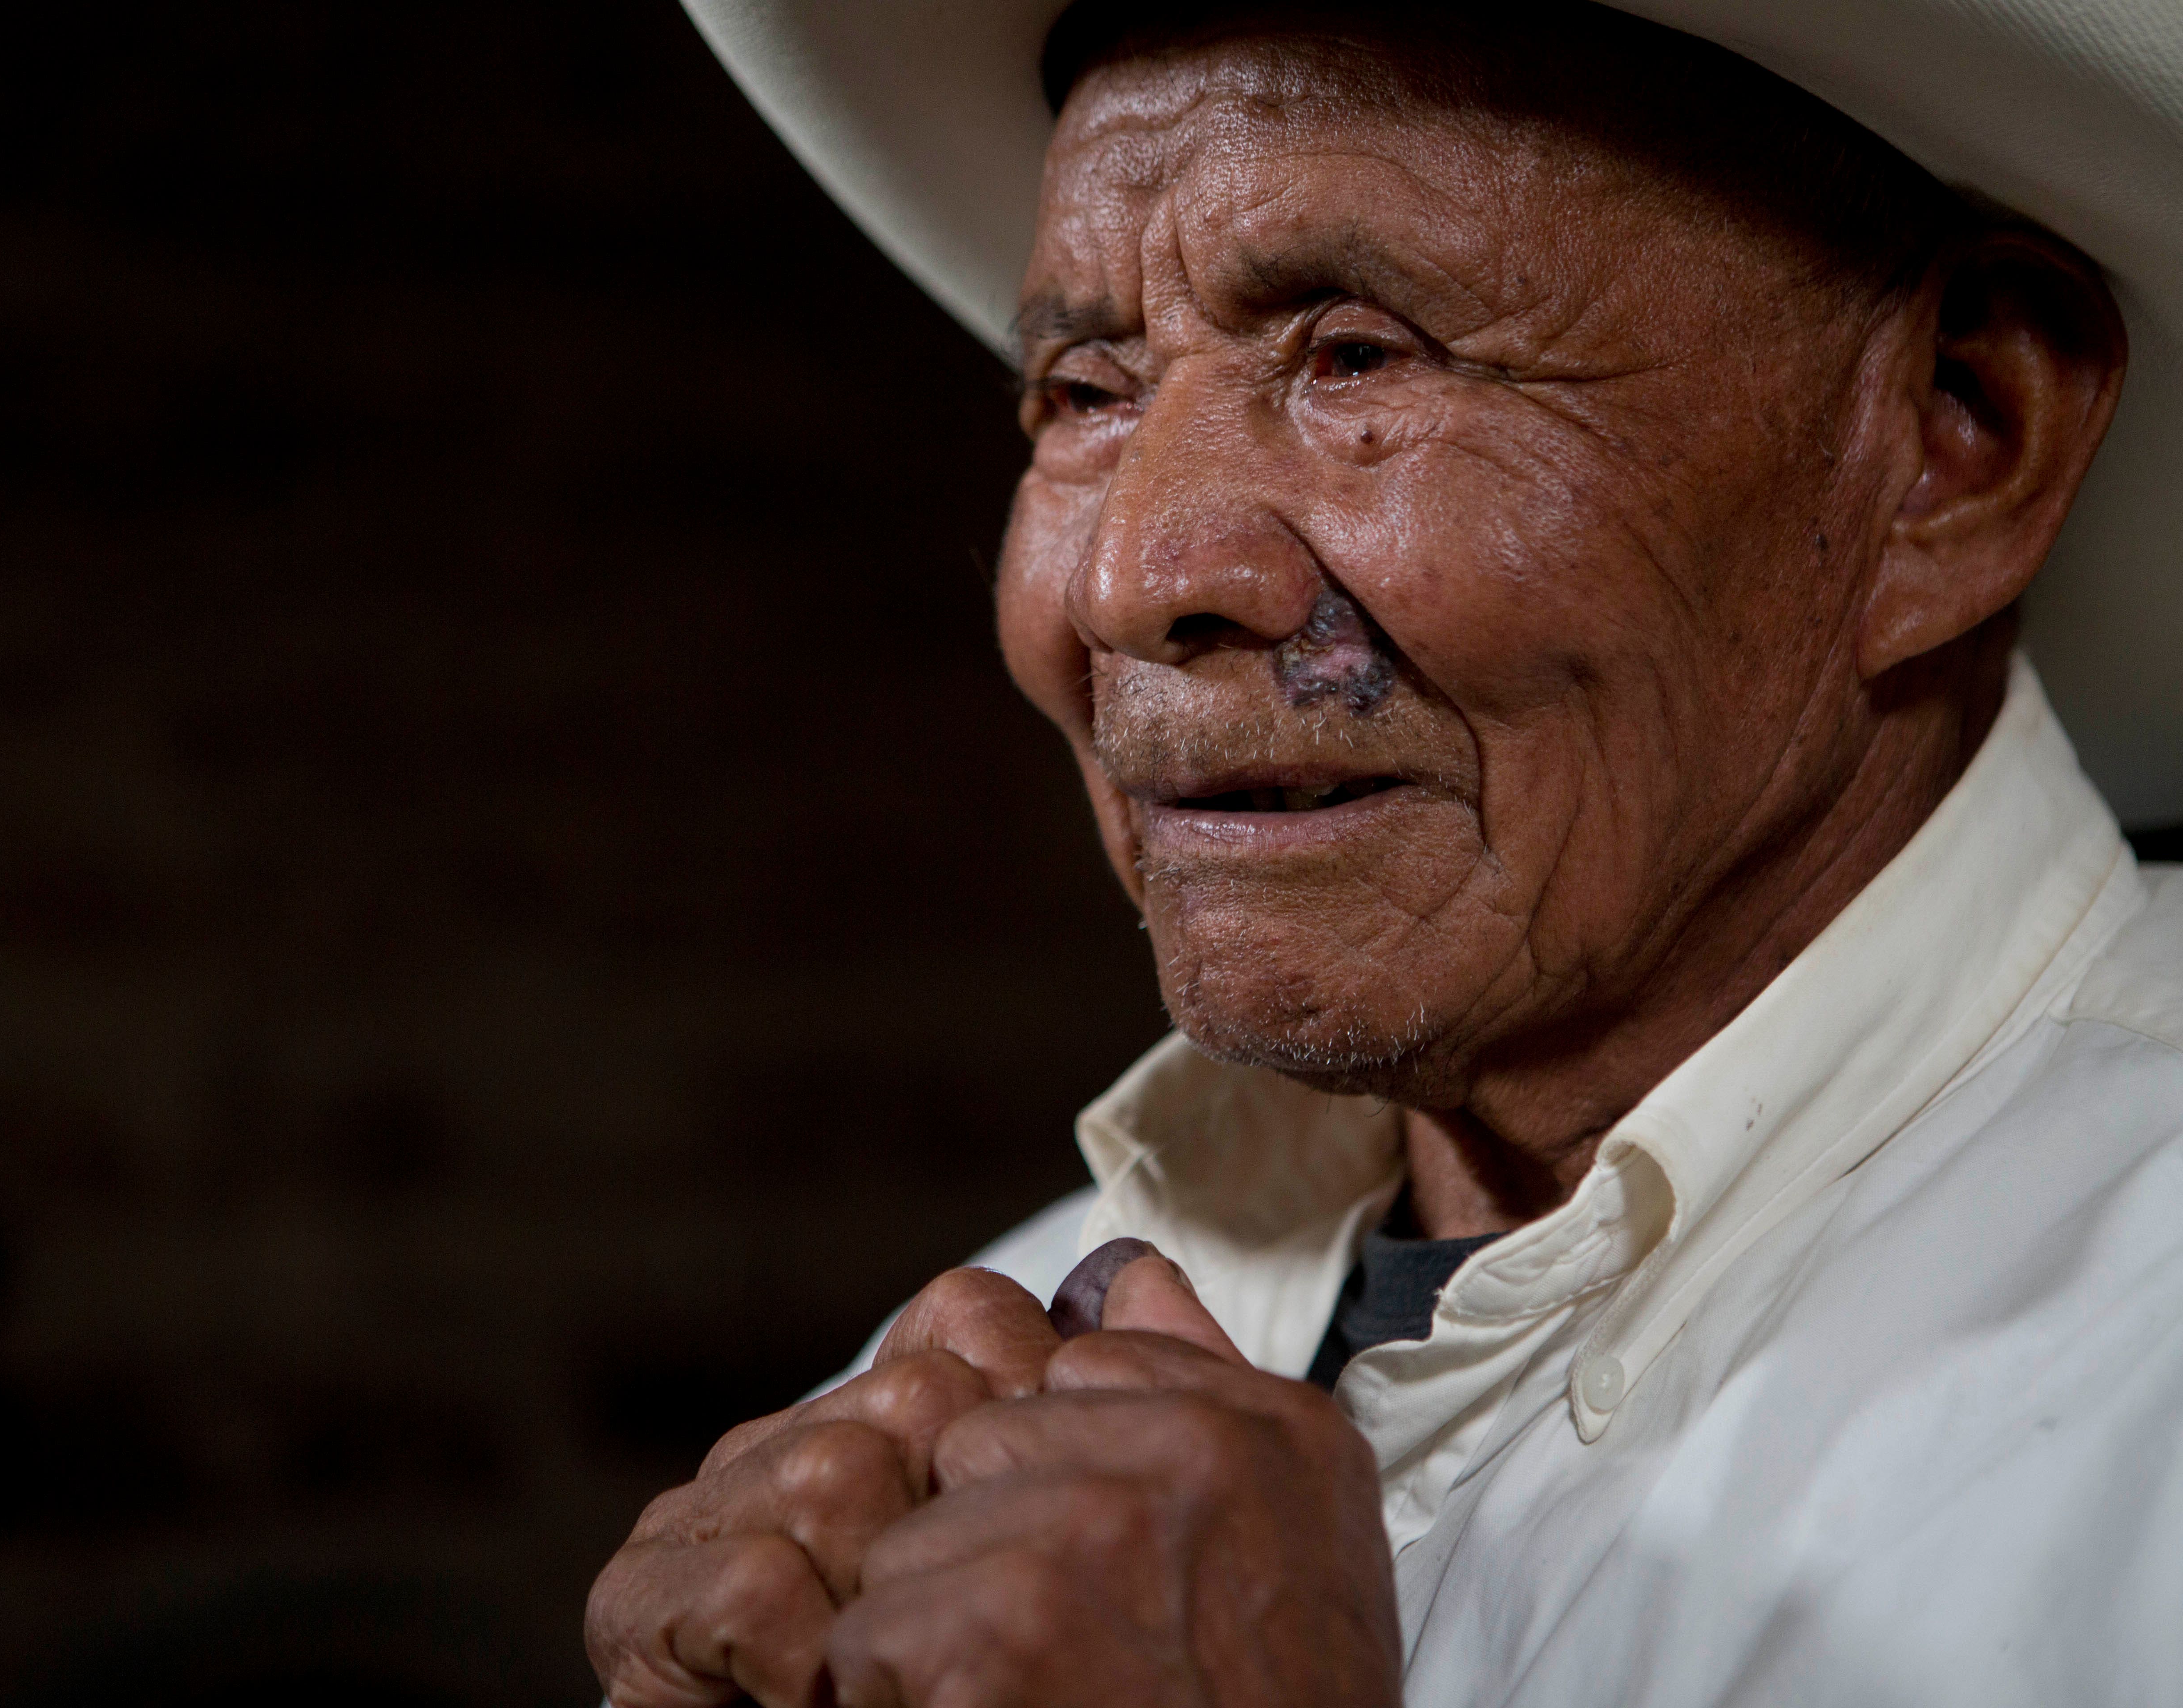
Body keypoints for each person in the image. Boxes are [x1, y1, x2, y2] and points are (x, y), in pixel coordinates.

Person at [589, 1, 2183, 1702]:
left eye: (1360, 355)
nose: (1129, 580)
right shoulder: (967, 1378)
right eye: (1086, 392)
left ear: (1956, 438)